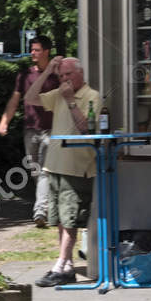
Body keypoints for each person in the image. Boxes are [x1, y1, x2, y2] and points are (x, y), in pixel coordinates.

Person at [31, 56, 101, 287]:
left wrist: (71, 101)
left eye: (68, 75)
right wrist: (47, 71)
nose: (64, 80)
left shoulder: (92, 96)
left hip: (77, 167)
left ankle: (60, 264)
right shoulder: (59, 95)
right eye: (61, 76)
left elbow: (86, 129)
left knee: (70, 219)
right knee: (60, 220)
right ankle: (67, 265)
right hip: (55, 164)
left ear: (80, 74)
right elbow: (30, 98)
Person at [0, 36, 58, 226]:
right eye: (32, 49)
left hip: (51, 130)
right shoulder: (24, 75)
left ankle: (40, 212)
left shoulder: (56, 75)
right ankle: (48, 206)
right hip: (30, 130)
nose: (32, 53)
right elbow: (15, 100)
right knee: (36, 172)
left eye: (37, 50)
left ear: (46, 52)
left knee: (44, 172)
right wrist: (4, 121)